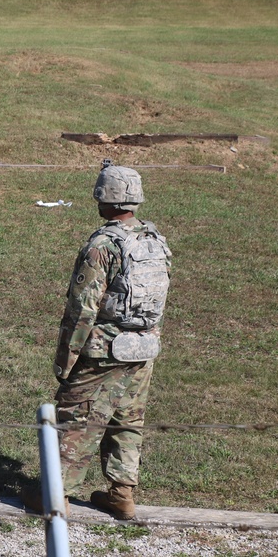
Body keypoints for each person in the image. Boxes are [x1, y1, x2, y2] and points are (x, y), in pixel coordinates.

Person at [42, 161, 172, 520]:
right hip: (143, 348)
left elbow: (82, 308)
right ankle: (122, 495)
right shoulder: (153, 240)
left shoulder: (103, 245)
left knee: (75, 418)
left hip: (103, 351)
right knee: (127, 421)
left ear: (104, 197)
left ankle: (57, 495)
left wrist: (65, 360)